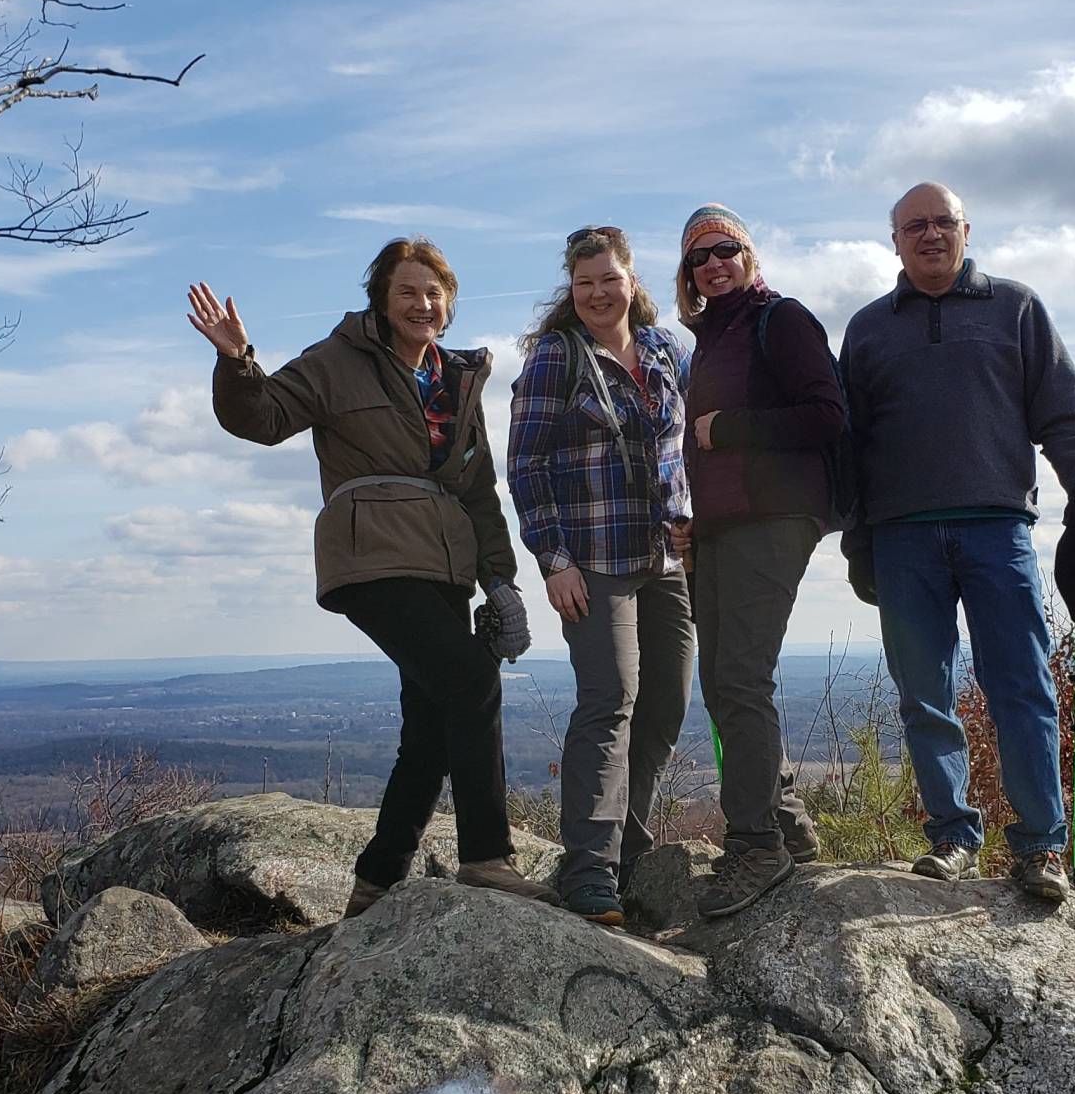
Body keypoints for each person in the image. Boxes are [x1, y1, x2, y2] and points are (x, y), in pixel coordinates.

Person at [185, 240, 555, 916]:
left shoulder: (458, 379)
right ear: (382, 300)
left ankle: (375, 882)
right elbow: (260, 418)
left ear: (450, 302)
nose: (423, 304)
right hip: (372, 554)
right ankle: (487, 859)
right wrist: (237, 360)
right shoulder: (338, 361)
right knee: (472, 678)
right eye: (408, 291)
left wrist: (500, 581)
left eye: (435, 292)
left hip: (445, 562)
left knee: (434, 724)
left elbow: (479, 490)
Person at [838, 182, 1075, 905]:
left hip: (998, 528)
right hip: (901, 536)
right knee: (924, 693)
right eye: (914, 227)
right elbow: (850, 450)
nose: (929, 235)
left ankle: (1040, 849)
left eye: (942, 223)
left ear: (966, 231)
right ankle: (953, 838)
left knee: (1022, 686)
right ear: (893, 241)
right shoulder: (868, 330)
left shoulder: (1015, 308)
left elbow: (1065, 413)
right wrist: (857, 543)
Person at [504, 227, 696, 925]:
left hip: (664, 557)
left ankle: (629, 851)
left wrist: (693, 517)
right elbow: (525, 467)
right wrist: (552, 560)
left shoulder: (665, 348)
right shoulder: (556, 357)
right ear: (571, 287)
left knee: (667, 704)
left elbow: (686, 447)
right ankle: (588, 869)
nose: (595, 293)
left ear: (632, 279)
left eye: (608, 279)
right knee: (610, 697)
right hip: (591, 558)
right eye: (583, 282)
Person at [675, 204, 846, 919]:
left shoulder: (784, 319)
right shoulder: (711, 338)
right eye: (699, 258)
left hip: (772, 521)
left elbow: (829, 415)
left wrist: (730, 428)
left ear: (750, 256)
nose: (714, 264)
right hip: (719, 528)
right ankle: (788, 829)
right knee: (722, 682)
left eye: (726, 250)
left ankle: (754, 846)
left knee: (740, 677)